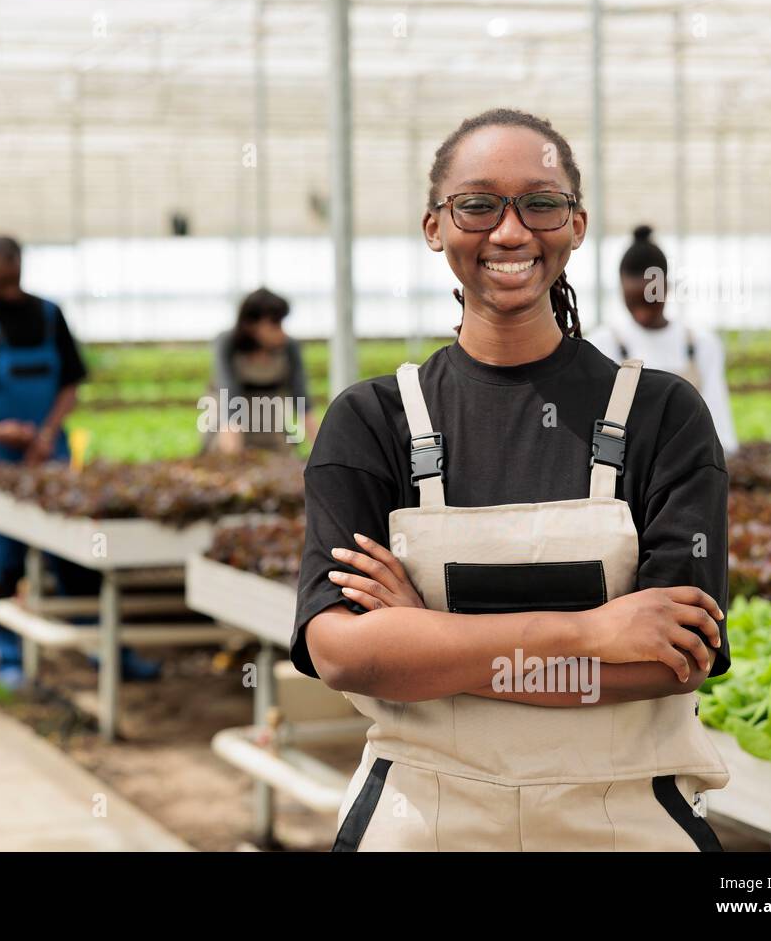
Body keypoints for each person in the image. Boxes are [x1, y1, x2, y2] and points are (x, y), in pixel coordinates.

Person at [291, 109, 731, 851]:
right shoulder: (373, 421)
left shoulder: (663, 414)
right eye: (478, 204)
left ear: (576, 223)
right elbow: (341, 653)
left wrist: (426, 647)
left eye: (541, 203)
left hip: (627, 817)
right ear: (435, 225)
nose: (510, 231)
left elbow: (673, 661)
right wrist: (591, 633)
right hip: (422, 818)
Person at [0, 236, 160, 689]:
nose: (8, 274)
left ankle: (107, 651)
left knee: (78, 557)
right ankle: (9, 657)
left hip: (50, 453)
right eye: (0, 267)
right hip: (0, 459)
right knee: (1, 561)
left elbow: (70, 385)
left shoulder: (49, 315)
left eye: (14, 265)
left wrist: (44, 434)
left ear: (21, 265)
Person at [584, 226, 739, 456]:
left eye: (649, 300)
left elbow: (721, 431)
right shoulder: (601, 344)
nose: (642, 313)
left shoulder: (701, 344)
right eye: (633, 301)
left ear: (666, 285)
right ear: (620, 288)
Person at [202, 288, 320, 454]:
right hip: (226, 417)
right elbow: (229, 393)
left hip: (269, 417)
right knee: (223, 453)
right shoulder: (228, 343)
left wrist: (321, 451)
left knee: (280, 457)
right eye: (274, 324)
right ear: (251, 324)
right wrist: (232, 457)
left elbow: (301, 399)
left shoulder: (289, 347)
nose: (281, 332)